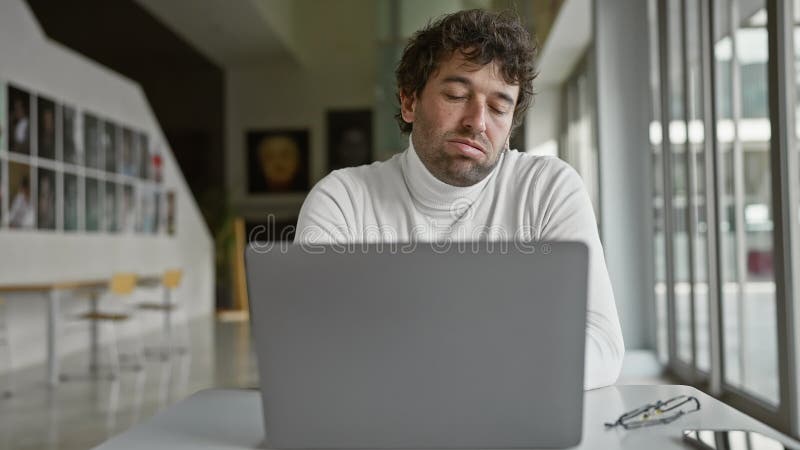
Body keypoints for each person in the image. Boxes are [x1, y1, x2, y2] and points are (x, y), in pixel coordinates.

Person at [294, 9, 624, 390]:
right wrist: (509, 354)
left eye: (500, 107)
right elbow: (315, 345)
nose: (477, 121)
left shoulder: (548, 189)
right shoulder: (342, 200)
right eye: (456, 95)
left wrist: (429, 358)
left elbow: (602, 344)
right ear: (409, 101)